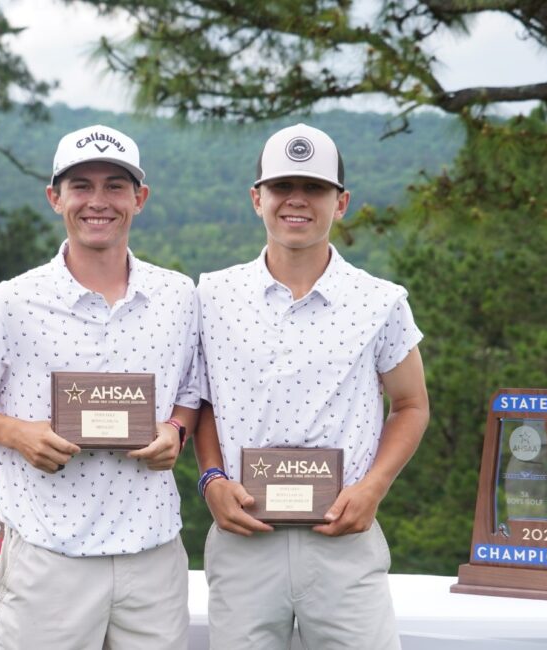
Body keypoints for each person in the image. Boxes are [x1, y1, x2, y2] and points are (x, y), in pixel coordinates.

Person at [0, 124, 200, 649]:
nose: (97, 201)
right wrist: (17, 434)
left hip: (152, 554)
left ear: (139, 198)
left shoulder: (179, 295)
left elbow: (189, 394)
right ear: (55, 197)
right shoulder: (10, 303)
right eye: (81, 186)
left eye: (114, 186)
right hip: (48, 557)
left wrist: (175, 429)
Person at [195, 123, 430, 648]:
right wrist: (210, 477)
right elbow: (203, 401)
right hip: (245, 539)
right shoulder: (213, 295)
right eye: (281, 187)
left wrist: (374, 487)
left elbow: (412, 405)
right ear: (257, 198)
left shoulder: (381, 301)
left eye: (315, 189)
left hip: (343, 541)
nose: (296, 201)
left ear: (341, 202)